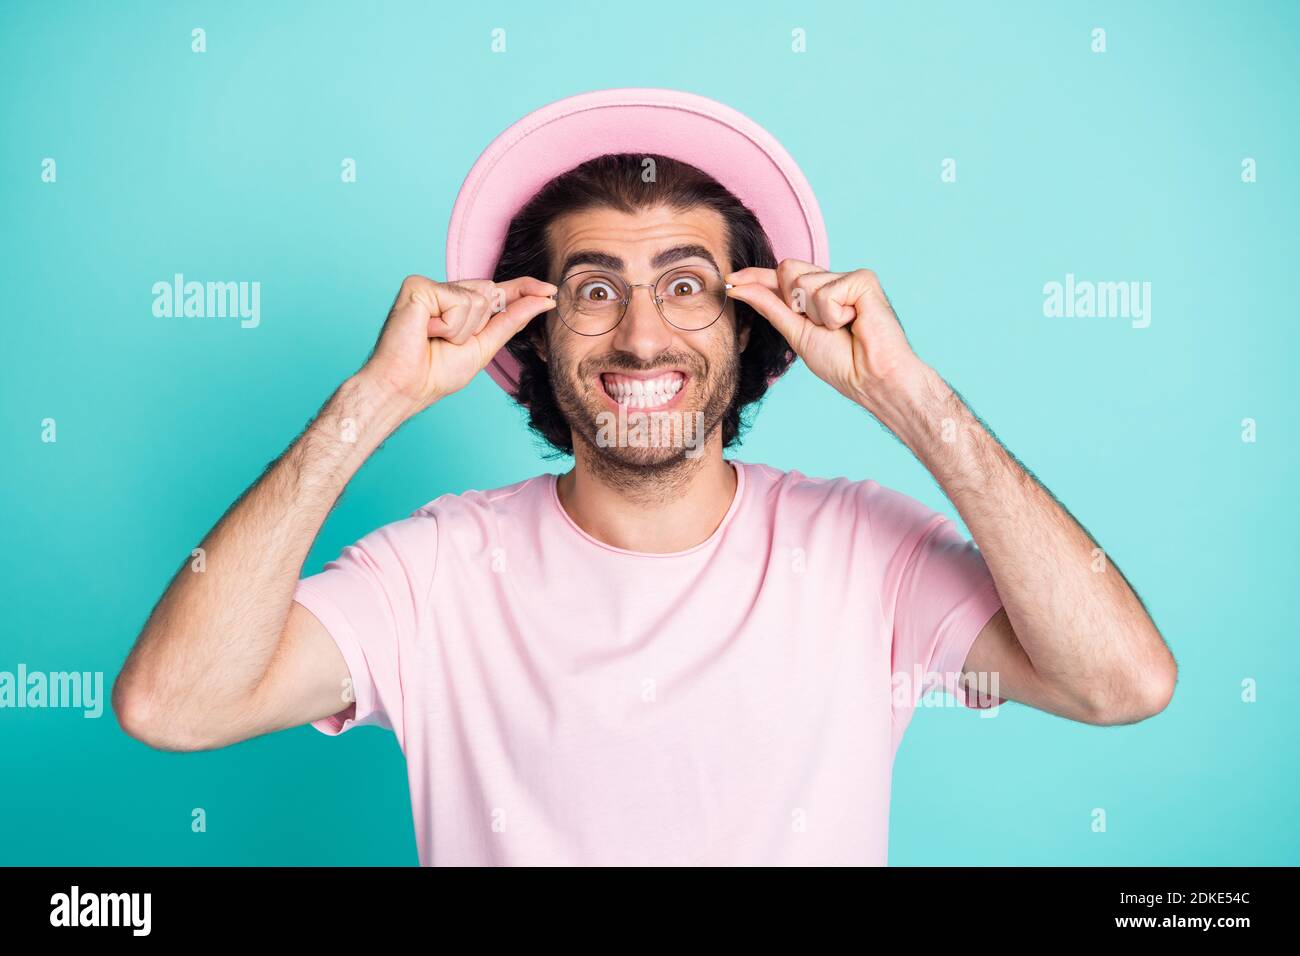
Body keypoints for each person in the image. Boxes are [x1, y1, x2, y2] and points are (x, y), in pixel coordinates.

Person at [113, 89, 1176, 866]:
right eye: (591, 290)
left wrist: (908, 396)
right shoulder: (433, 572)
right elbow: (173, 705)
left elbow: (1119, 681)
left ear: (750, 321)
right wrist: (373, 401)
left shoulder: (862, 552)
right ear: (530, 329)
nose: (640, 335)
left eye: (684, 285)